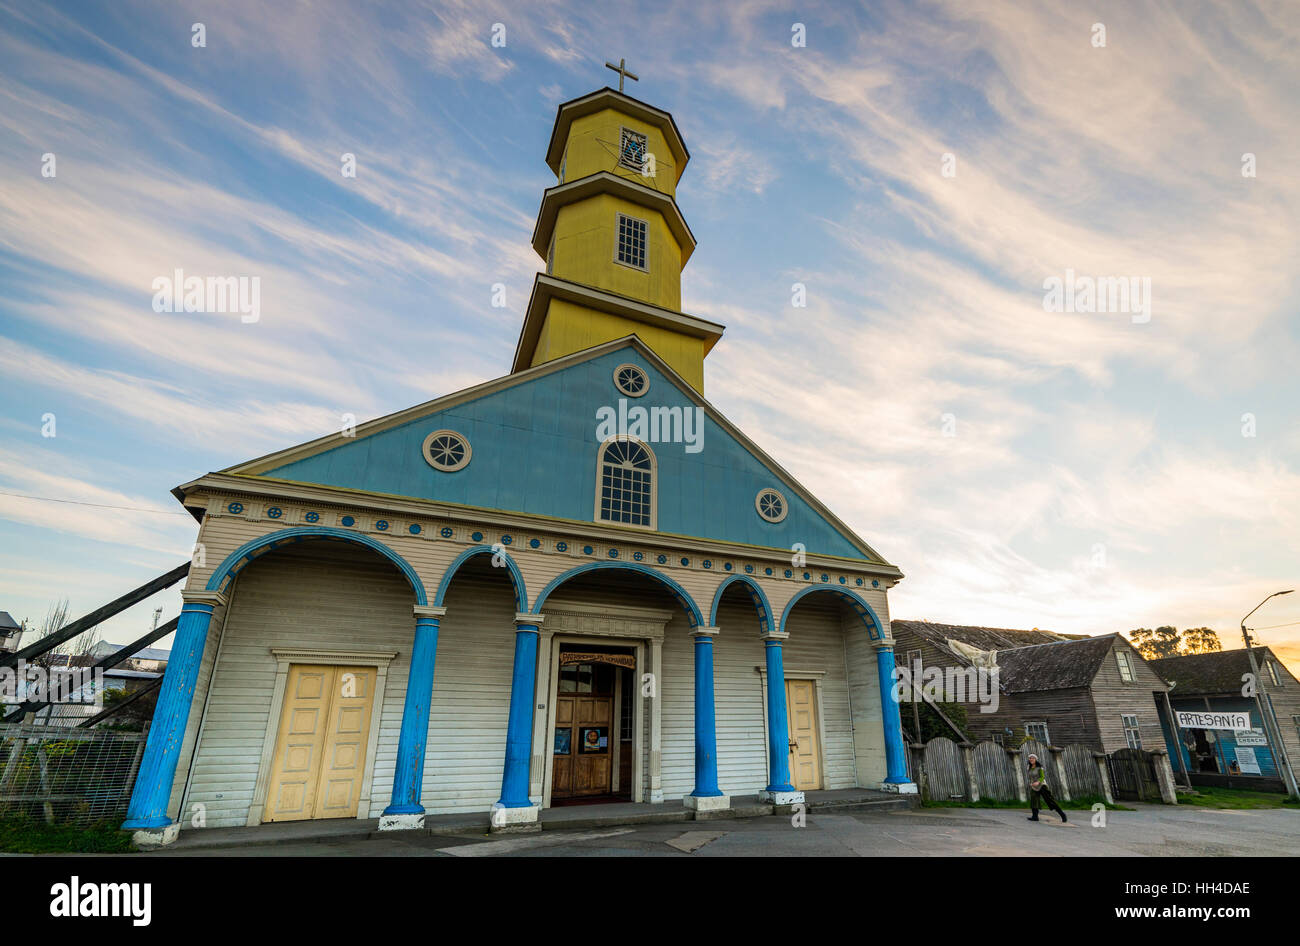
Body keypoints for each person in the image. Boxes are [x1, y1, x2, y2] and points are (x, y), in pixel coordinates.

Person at [1026, 753, 1066, 822]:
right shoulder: (1028, 767)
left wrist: (1038, 782)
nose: (1031, 759)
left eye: (1033, 758)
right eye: (1030, 758)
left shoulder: (1039, 767)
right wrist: (1031, 783)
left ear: (1036, 759)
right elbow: (1031, 777)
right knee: (1034, 800)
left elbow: (1042, 777)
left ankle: (1062, 814)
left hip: (1042, 785)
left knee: (1050, 800)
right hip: (1034, 787)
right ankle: (1035, 817)